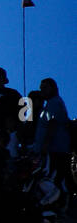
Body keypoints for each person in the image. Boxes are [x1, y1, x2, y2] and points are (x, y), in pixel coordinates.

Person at [30, 78, 71, 207]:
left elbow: (52, 124)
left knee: (56, 178)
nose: (42, 91)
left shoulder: (54, 102)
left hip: (55, 149)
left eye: (45, 88)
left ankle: (61, 205)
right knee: (50, 178)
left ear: (53, 88)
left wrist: (45, 145)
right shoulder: (49, 104)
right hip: (50, 150)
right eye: (41, 88)